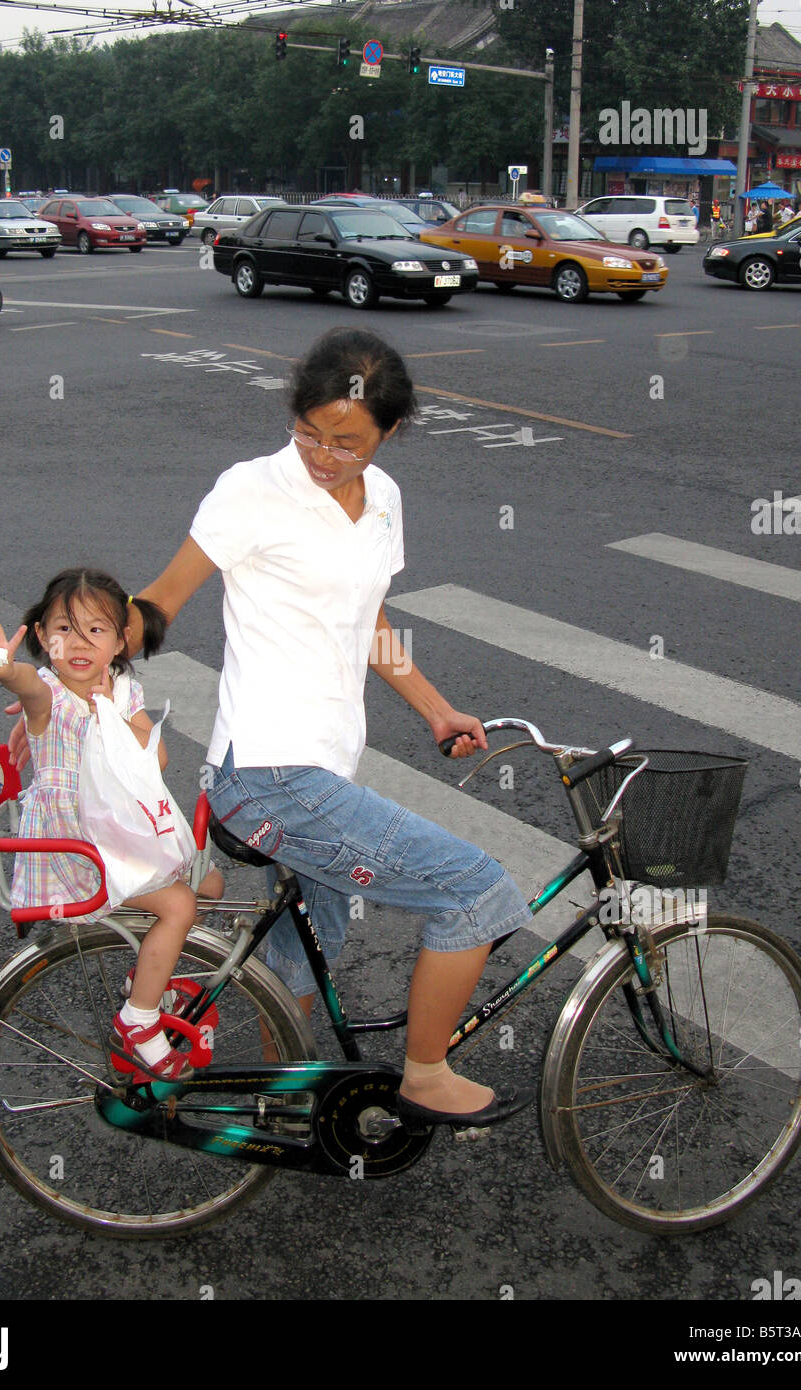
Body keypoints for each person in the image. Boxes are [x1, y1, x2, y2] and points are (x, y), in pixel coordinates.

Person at [120, 328, 535, 1128]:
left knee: (309, 941)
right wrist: (70, 661)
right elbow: (161, 599)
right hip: (270, 774)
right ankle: (424, 1073)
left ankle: (281, 1095)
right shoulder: (251, 489)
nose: (323, 453)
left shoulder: (383, 499)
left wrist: (436, 708)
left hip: (325, 770)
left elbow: (367, 620)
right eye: (309, 431)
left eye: (348, 442)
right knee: (477, 890)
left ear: (389, 433)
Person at [0, 567, 223, 1080]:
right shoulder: (49, 696)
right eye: (63, 629)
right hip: (73, 845)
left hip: (115, 829)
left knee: (211, 882)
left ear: (118, 643)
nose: (79, 642)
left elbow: (155, 760)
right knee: (179, 903)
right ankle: (140, 1018)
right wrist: (5, 668)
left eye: (96, 629)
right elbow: (27, 685)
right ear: (42, 638)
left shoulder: (121, 690)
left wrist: (112, 709)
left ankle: (147, 976)